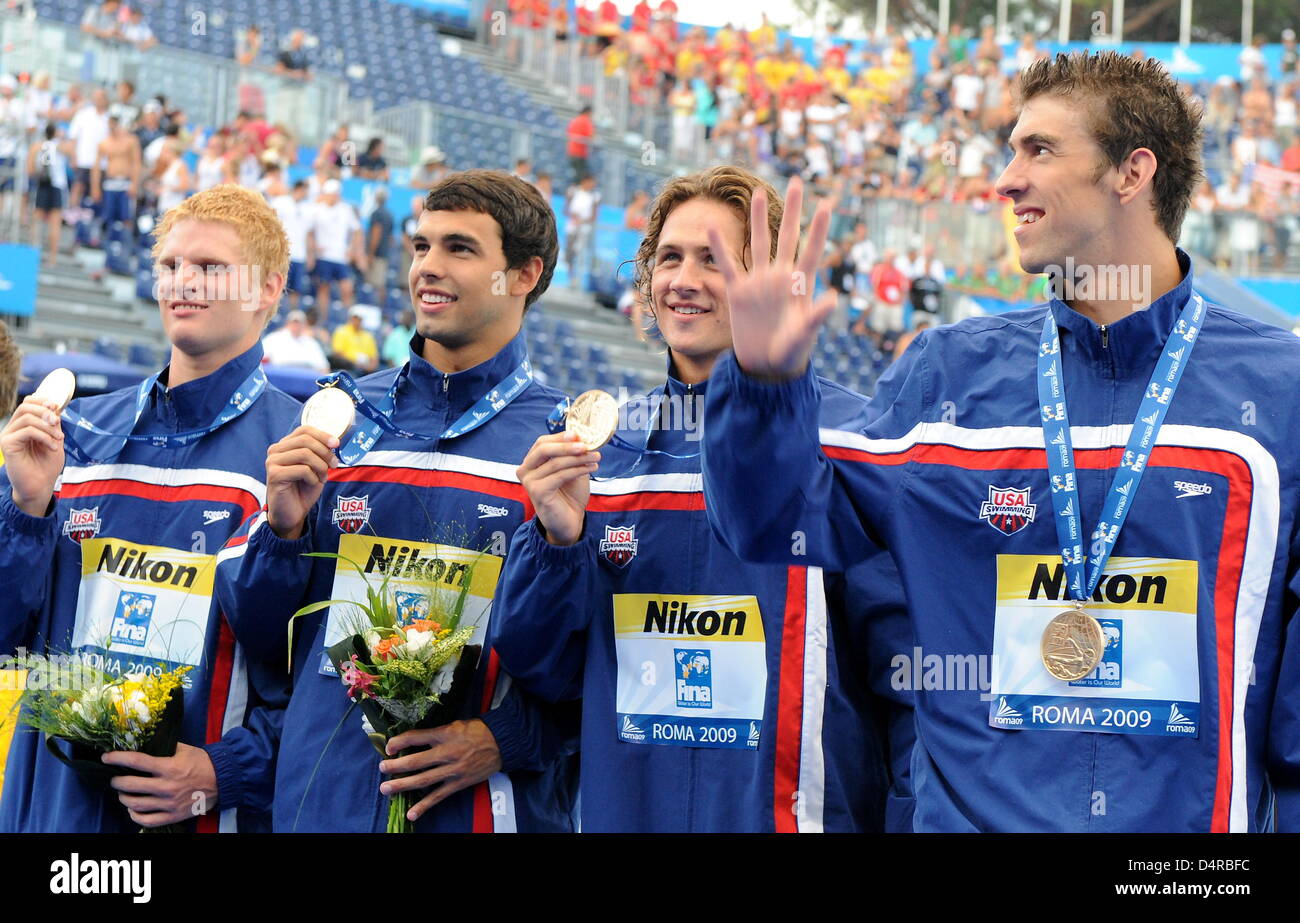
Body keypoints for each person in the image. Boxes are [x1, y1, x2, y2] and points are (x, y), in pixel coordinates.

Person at [701, 52, 1300, 832]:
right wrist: (761, 388)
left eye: (1039, 150)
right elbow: (771, 522)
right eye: (1010, 149)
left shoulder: (1280, 387)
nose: (1005, 179)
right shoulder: (946, 373)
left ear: (1132, 172)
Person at [493, 165, 913, 832]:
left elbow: (907, 683)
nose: (683, 280)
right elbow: (541, 670)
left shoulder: (851, 440)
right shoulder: (598, 451)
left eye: (714, 260)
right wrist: (555, 545)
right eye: (668, 258)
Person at [213, 170, 576, 832]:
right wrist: (283, 531)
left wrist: (508, 736)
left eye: (459, 249)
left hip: (472, 809)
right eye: (420, 246)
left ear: (524, 274)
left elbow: (596, 667)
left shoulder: (563, 446)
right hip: (318, 805)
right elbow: (262, 638)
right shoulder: (341, 420)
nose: (428, 268)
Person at [0, 184, 303, 832]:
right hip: (55, 813)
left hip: (197, 814)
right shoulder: (71, 435)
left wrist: (226, 771)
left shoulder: (300, 455)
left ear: (267, 290)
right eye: (170, 266)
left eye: (210, 268)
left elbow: (324, 678)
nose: (182, 282)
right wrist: (26, 508)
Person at [308, 178, 365, 310]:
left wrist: (352, 249)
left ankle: (347, 318)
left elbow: (357, 231)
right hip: (324, 256)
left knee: (347, 288)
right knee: (323, 289)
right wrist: (314, 246)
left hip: (340, 256)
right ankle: (323, 318)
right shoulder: (317, 210)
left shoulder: (345, 210)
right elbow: (309, 231)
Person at [26, 124, 69, 264]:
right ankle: (52, 258)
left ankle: (34, 252)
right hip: (56, 186)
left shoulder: (37, 147)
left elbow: (30, 170)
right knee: (54, 222)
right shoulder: (60, 147)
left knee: (37, 220)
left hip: (43, 185)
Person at [271, 179, 313, 311]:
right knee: (277, 285)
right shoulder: (281, 202)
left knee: (296, 289)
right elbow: (272, 225)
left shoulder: (307, 208)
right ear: (298, 189)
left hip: (299, 254)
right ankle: (273, 313)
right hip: (283, 252)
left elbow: (308, 233)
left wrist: (310, 254)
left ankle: (291, 314)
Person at [262, 308, 329, 372]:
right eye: (294, 322)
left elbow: (324, 367)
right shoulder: (274, 338)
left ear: (304, 325)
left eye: (299, 323)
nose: (296, 326)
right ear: (288, 323)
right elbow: (261, 358)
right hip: (280, 375)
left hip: (305, 377)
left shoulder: (311, 342)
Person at [564, 172, 599, 287]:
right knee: (569, 254)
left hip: (584, 231)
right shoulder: (574, 191)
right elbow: (566, 209)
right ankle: (571, 277)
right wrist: (574, 217)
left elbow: (594, 216)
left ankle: (578, 280)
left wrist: (582, 221)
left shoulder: (594, 196)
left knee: (580, 254)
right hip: (572, 228)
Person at [330, 306, 379, 373]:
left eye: (359, 319)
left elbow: (374, 358)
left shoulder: (368, 336)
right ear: (350, 318)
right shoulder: (341, 331)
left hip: (365, 369)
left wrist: (370, 367)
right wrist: (354, 362)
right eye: (355, 318)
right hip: (347, 367)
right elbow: (338, 353)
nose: (357, 321)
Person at [366, 185, 394, 292]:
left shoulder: (376, 213)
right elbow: (391, 238)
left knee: (375, 286)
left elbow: (376, 234)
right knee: (380, 283)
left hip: (377, 254)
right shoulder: (389, 214)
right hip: (384, 254)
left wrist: (371, 254)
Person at [566, 105, 594, 183]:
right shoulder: (585, 121)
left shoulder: (575, 120)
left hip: (571, 152)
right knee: (580, 176)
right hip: (580, 153)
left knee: (576, 174)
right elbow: (591, 136)